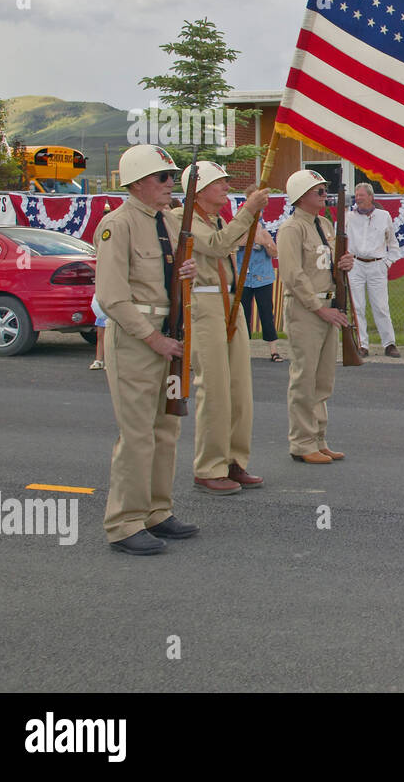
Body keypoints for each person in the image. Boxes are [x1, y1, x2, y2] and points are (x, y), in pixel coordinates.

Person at [93, 144, 198, 556]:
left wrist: (186, 271)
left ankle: (156, 511)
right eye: (163, 177)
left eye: (172, 176)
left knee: (165, 428)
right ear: (137, 182)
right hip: (139, 339)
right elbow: (112, 297)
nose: (171, 184)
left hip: (169, 331)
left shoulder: (168, 222)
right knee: (137, 434)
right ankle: (123, 523)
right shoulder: (117, 225)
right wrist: (152, 338)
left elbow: (172, 275)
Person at [178, 161, 269, 495]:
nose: (226, 186)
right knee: (214, 389)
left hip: (230, 301)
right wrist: (247, 212)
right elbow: (216, 245)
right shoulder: (182, 219)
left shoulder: (216, 219)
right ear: (198, 190)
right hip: (204, 304)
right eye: (219, 182)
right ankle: (209, 466)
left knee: (239, 389)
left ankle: (234, 459)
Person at [277, 170, 355, 464]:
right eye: (318, 192)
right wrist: (318, 307)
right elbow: (293, 275)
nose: (325, 195)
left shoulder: (323, 224)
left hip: (327, 307)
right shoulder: (292, 229)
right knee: (304, 378)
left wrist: (344, 263)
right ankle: (301, 441)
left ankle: (318, 438)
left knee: (322, 379)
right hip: (306, 309)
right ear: (301, 196)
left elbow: (328, 264)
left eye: (324, 191)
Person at [346, 182, 403, 357]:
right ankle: (362, 345)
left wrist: (387, 262)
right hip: (355, 264)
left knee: (380, 306)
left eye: (362, 195)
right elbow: (339, 239)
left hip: (377, 264)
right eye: (356, 196)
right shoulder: (349, 217)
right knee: (358, 307)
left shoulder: (383, 216)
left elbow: (393, 244)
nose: (358, 199)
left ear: (371, 197)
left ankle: (389, 343)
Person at [236, 185, 283, 362]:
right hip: (243, 276)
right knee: (243, 313)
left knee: (266, 311)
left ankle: (273, 349)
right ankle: (243, 350)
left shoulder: (263, 230)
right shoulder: (239, 226)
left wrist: (265, 243)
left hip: (263, 277)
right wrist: (247, 238)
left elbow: (274, 252)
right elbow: (233, 244)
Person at [89, 295, 107, 369]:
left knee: (110, 338)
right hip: (101, 310)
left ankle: (110, 362)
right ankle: (99, 360)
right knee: (100, 336)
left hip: (110, 310)